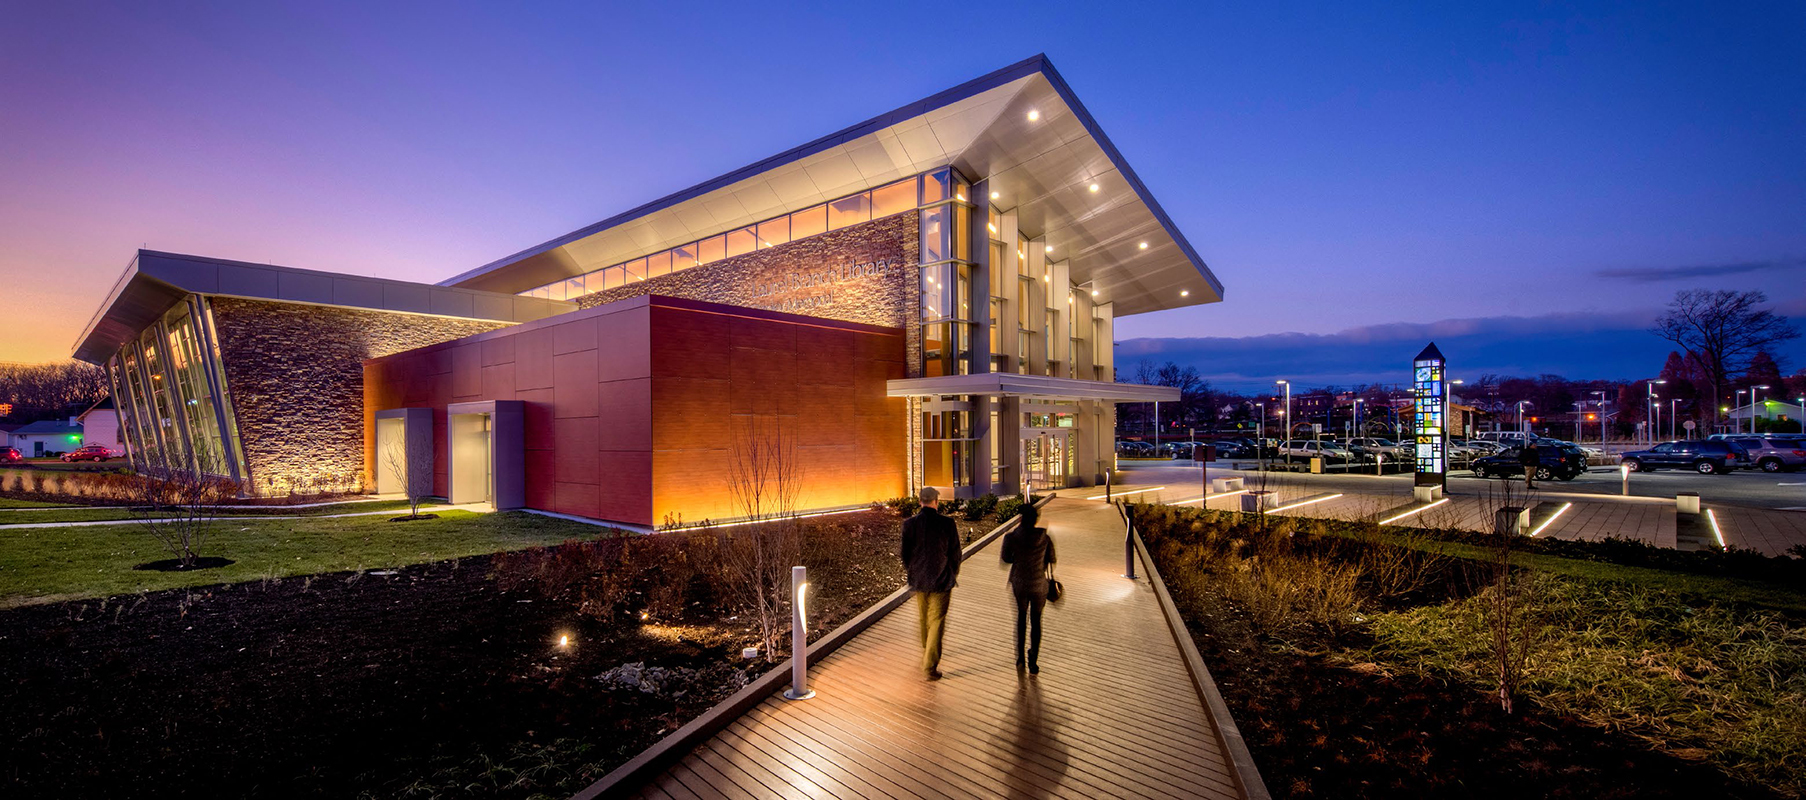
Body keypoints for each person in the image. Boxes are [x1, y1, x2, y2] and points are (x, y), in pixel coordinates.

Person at [901, 485, 961, 680]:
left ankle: (927, 649)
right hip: (942, 579)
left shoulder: (910, 525)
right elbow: (955, 553)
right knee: (936, 621)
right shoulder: (947, 524)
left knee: (923, 618)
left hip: (919, 579)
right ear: (936, 501)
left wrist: (913, 571)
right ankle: (929, 665)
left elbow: (905, 554)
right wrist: (952, 572)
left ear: (920, 502)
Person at [1000, 503, 1056, 674]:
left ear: (1020, 518)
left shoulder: (1011, 537)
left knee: (1021, 619)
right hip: (1039, 584)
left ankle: (1020, 659)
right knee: (1036, 621)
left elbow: (1005, 559)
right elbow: (1052, 559)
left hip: (1020, 583)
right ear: (1036, 519)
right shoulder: (1044, 538)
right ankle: (1033, 660)